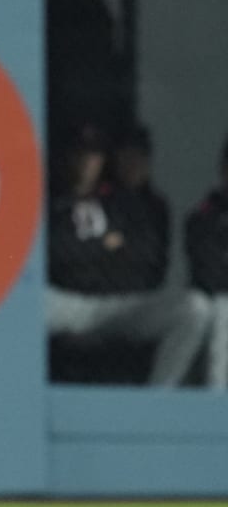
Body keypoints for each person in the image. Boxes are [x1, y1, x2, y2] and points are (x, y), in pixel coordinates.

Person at [47, 122, 210, 386]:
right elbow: (57, 253)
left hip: (124, 307)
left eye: (94, 155)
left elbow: (145, 261)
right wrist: (104, 249)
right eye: (80, 154)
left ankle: (157, 402)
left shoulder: (133, 202)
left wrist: (96, 254)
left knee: (195, 308)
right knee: (23, 306)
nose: (86, 162)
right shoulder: (56, 200)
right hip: (72, 303)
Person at [185, 134, 228, 392]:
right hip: (216, 309)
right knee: (225, 308)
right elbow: (208, 274)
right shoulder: (204, 216)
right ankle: (218, 405)